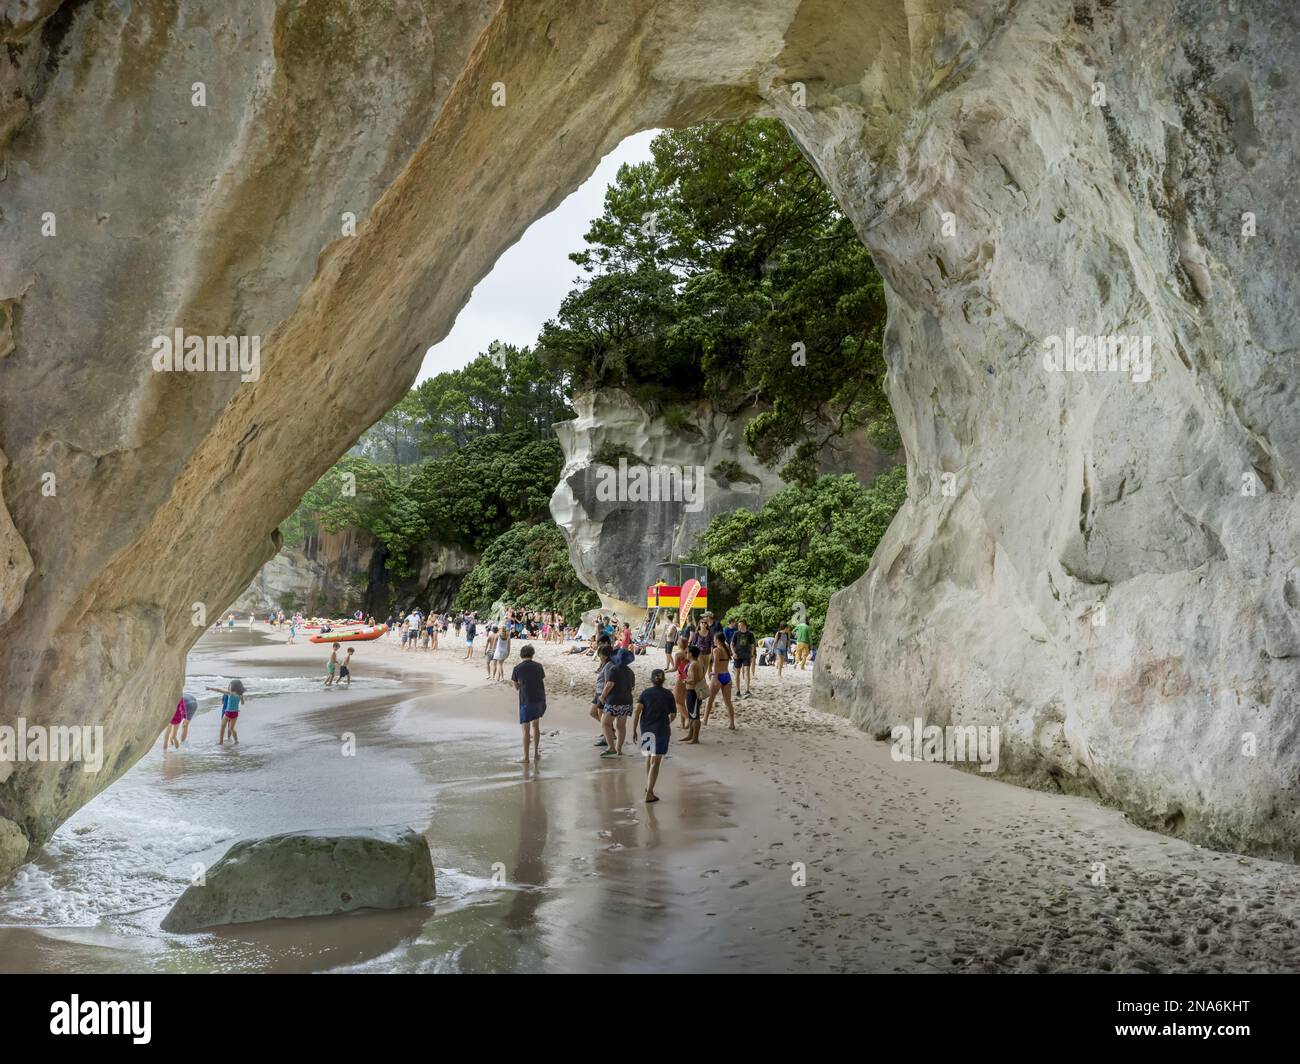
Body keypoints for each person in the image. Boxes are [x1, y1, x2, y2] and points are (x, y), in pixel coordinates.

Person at [633, 669, 675, 803]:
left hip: (646, 729)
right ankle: (649, 793)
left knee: (649, 758)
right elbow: (673, 714)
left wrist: (634, 729)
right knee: (655, 762)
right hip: (661, 730)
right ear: (663, 680)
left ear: (651, 679)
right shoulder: (668, 694)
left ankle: (648, 787)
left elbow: (637, 711)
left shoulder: (646, 693)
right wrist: (666, 722)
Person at [595, 647, 635, 757]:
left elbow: (609, 684)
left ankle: (611, 747)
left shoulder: (615, 669)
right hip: (627, 701)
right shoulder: (630, 672)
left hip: (614, 700)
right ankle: (619, 749)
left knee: (605, 723)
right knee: (621, 726)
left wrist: (603, 696)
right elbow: (631, 688)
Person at [511, 644, 546, 763]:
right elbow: (540, 678)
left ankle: (526, 757)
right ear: (532, 654)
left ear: (521, 655)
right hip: (539, 698)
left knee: (526, 730)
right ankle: (536, 754)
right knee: (536, 727)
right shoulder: (539, 666)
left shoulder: (517, 668)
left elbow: (516, 686)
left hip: (526, 699)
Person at [703, 631, 736, 730]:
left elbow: (716, 664)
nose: (713, 640)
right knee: (728, 702)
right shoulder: (726, 649)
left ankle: (705, 719)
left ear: (717, 640)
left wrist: (715, 677)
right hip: (727, 676)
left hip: (718, 676)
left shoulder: (717, 650)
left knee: (710, 699)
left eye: (714, 639)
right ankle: (732, 723)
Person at [208, 679, 246, 744]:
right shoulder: (240, 695)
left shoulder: (230, 693)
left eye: (230, 686)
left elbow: (219, 690)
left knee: (223, 727)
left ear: (233, 687)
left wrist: (210, 688)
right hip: (235, 714)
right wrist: (241, 698)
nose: (229, 687)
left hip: (228, 713)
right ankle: (236, 741)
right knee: (232, 728)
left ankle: (221, 742)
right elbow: (242, 703)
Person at [683, 645, 706, 744]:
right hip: (692, 692)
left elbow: (694, 680)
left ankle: (695, 738)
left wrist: (685, 681)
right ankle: (690, 735)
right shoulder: (697, 663)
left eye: (687, 652)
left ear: (691, 654)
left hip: (693, 692)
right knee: (692, 714)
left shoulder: (693, 664)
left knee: (695, 716)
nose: (686, 654)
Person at [731, 618, 756, 698]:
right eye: (738, 625)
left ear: (745, 625)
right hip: (737, 655)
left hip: (746, 655)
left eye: (740, 625)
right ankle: (738, 691)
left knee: (747, 672)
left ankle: (747, 690)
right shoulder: (736, 633)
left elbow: (752, 645)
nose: (739, 627)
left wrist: (752, 655)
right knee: (737, 673)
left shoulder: (750, 634)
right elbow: (731, 644)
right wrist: (733, 653)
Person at [672, 634, 690, 727]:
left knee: (678, 701)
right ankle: (682, 723)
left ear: (680, 643)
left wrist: (667, 670)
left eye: (678, 641)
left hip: (680, 678)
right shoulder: (689, 653)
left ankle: (687, 719)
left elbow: (675, 668)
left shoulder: (678, 654)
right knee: (683, 701)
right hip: (688, 678)